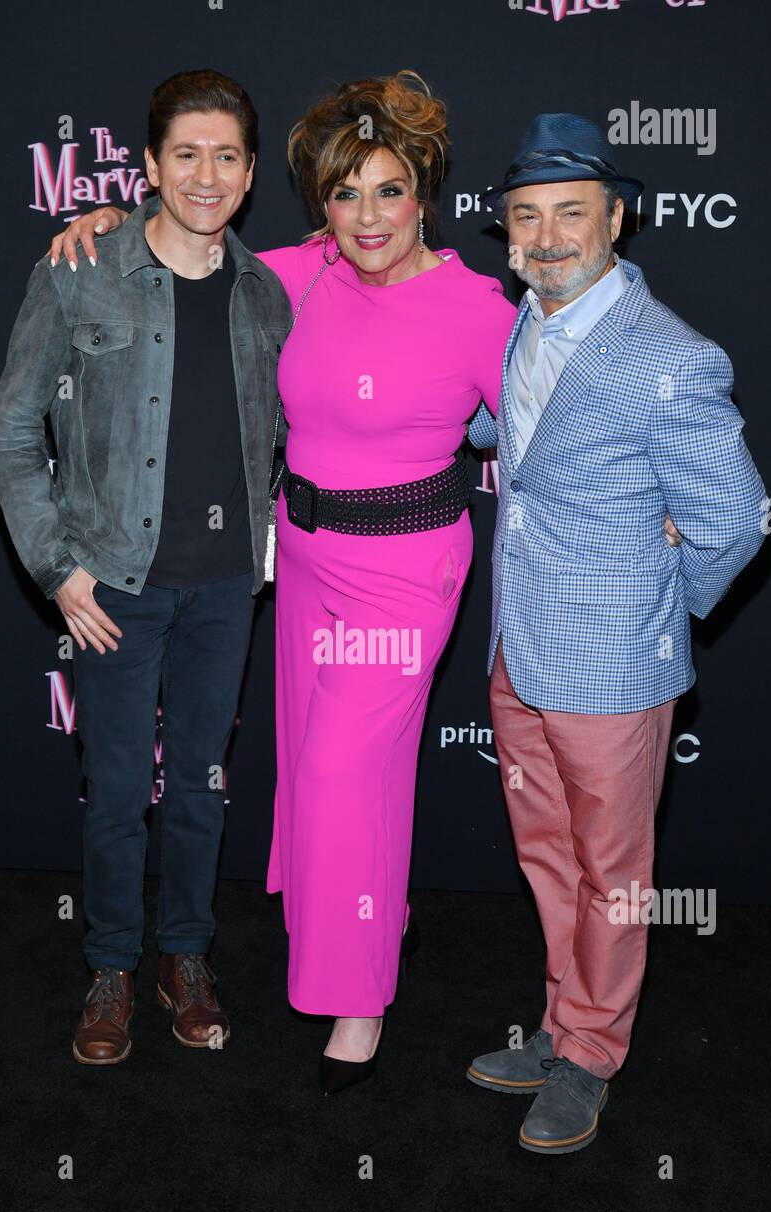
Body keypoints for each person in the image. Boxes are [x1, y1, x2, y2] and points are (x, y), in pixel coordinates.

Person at [55, 71, 517, 1093]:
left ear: (423, 194)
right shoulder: (294, 274)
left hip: (405, 571)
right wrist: (104, 221)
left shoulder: (476, 309)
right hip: (299, 558)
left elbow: (547, 426)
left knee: (345, 771)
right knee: (319, 768)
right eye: (345, 194)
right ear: (319, 203)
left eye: (388, 191)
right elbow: (183, 246)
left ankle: (358, 999)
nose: (366, 217)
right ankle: (353, 915)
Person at [465, 113, 767, 1153]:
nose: (547, 237)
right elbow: (510, 434)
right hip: (518, 646)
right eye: (526, 216)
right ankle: (558, 1024)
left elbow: (732, 521)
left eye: (570, 215)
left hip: (610, 659)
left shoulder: (667, 357)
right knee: (548, 855)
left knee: (613, 871)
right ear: (505, 229)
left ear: (617, 221)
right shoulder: (520, 321)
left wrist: (652, 608)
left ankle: (591, 1052)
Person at [0, 70, 292, 1063]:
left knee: (201, 788)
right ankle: (111, 966)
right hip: (112, 586)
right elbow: (13, 430)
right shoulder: (80, 268)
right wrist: (58, 569)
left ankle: (186, 958)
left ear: (248, 175)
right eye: (185, 153)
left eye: (226, 156)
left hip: (222, 589)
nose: (205, 175)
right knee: (118, 791)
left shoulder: (267, 295)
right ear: (151, 163)